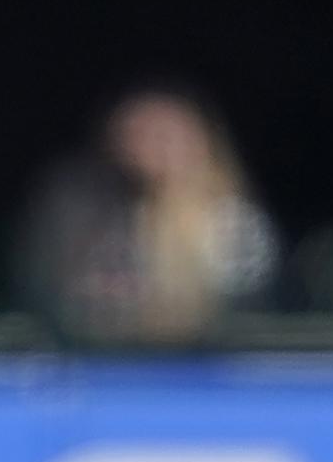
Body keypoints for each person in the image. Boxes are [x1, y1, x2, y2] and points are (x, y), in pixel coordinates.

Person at [18, 86, 280, 348]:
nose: (149, 149)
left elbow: (245, 314)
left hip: (207, 368)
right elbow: (55, 296)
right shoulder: (77, 208)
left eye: (164, 136)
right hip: (102, 363)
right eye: (136, 135)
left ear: (199, 141)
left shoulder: (232, 221)